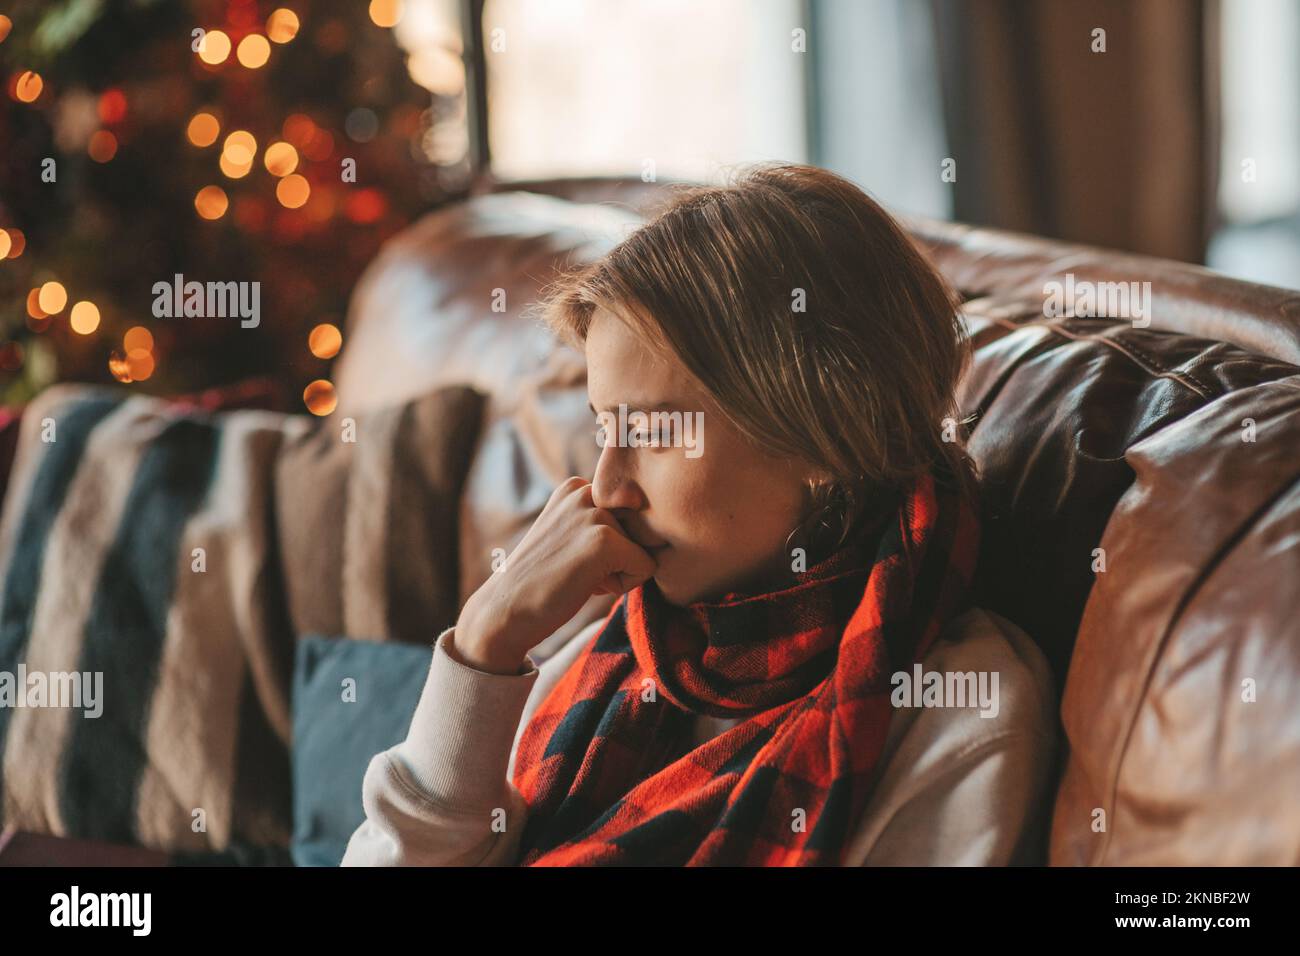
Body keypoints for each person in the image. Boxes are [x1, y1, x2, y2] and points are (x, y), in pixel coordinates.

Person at [341, 163, 1059, 867]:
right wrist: (481, 650)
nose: (607, 487)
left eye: (653, 433)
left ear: (823, 437)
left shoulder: (959, 717)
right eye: (602, 430)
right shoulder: (621, 649)